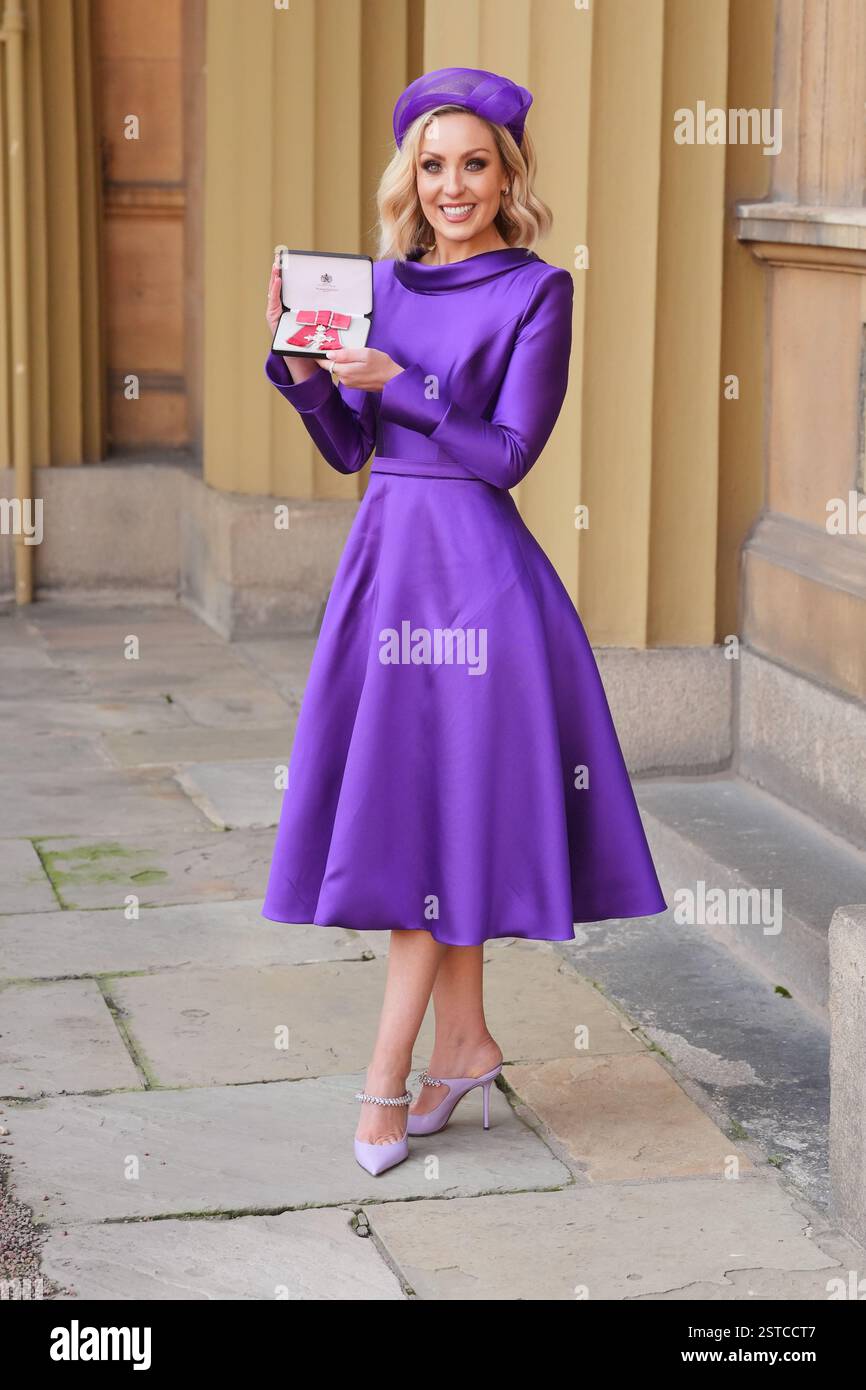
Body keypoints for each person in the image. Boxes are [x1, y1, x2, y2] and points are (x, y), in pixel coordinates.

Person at [261, 67, 667, 1177]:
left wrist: (404, 380)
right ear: (410, 176)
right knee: (435, 819)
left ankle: (386, 1079)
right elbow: (353, 448)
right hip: (387, 567)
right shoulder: (376, 285)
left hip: (479, 583)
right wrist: (305, 375)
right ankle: (466, 1042)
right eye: (431, 165)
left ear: (507, 175)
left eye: (473, 164)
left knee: (435, 829)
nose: (451, 185)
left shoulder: (538, 291)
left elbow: (507, 457)